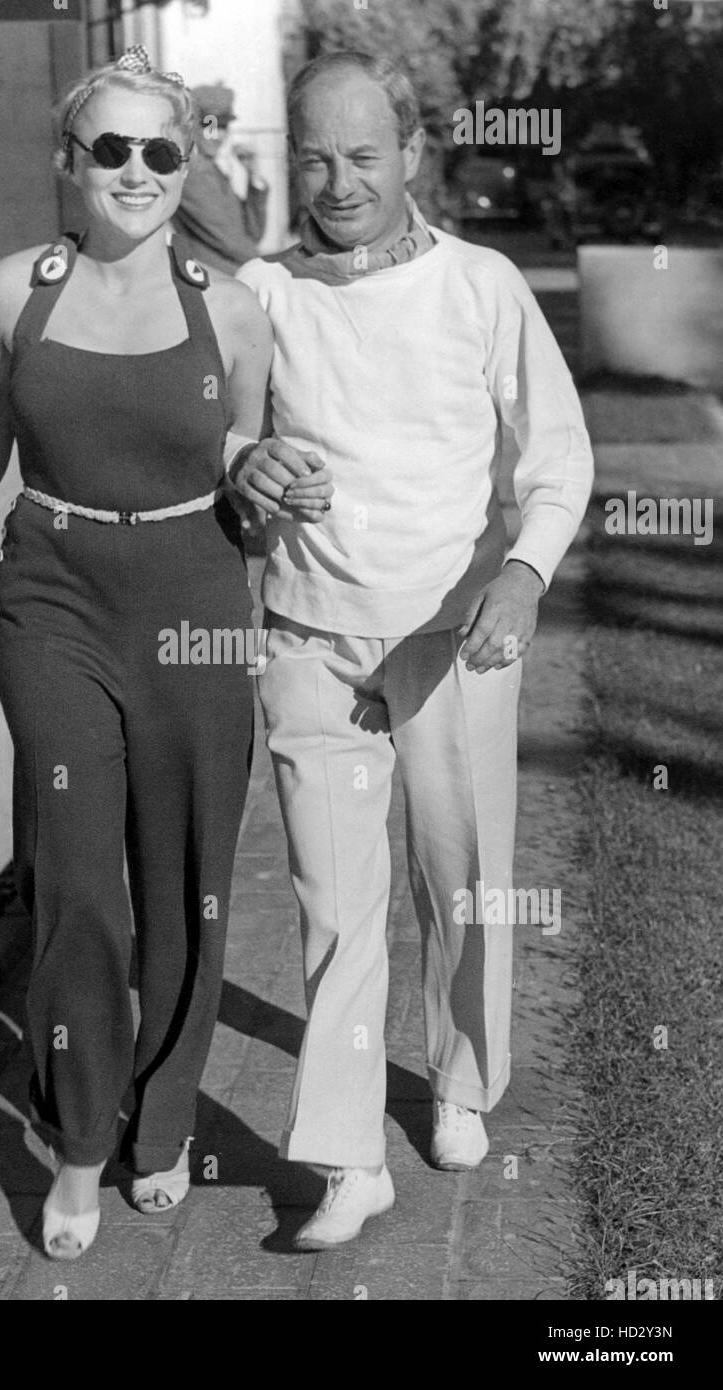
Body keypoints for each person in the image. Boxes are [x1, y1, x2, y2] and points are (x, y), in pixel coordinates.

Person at [0, 45, 328, 1261]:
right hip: (55, 595)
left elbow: (244, 462)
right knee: (79, 881)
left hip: (192, 594)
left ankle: (162, 1122)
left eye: (160, 152)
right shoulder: (13, 291)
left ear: (185, 166)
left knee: (185, 876)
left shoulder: (225, 306)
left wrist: (274, 484)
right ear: (69, 163)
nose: (136, 172)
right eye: (112, 150)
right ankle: (81, 1142)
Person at [230, 51, 594, 1250]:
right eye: (316, 159)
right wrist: (245, 468)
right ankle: (343, 1160)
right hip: (311, 636)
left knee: (461, 878)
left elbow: (557, 456)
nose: (337, 182)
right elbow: (222, 450)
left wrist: (525, 574)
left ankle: (460, 1083)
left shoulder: (481, 285)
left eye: (362, 156)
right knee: (336, 905)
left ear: (412, 155)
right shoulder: (262, 293)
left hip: (451, 638)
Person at [172, 82, 270, 272]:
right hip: (213, 283)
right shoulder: (191, 173)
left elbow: (253, 233)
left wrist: (253, 174)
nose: (216, 135)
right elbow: (228, 240)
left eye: (222, 126)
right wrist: (270, 268)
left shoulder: (213, 170)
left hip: (235, 276)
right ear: (191, 127)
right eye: (208, 125)